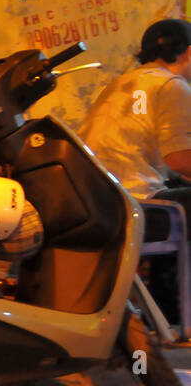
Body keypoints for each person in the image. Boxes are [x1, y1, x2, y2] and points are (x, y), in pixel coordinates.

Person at [79, 18, 191, 322]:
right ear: (189, 53)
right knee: (182, 208)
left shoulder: (122, 82)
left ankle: (164, 309)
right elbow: (180, 160)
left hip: (94, 201)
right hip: (135, 205)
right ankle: (172, 311)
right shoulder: (174, 85)